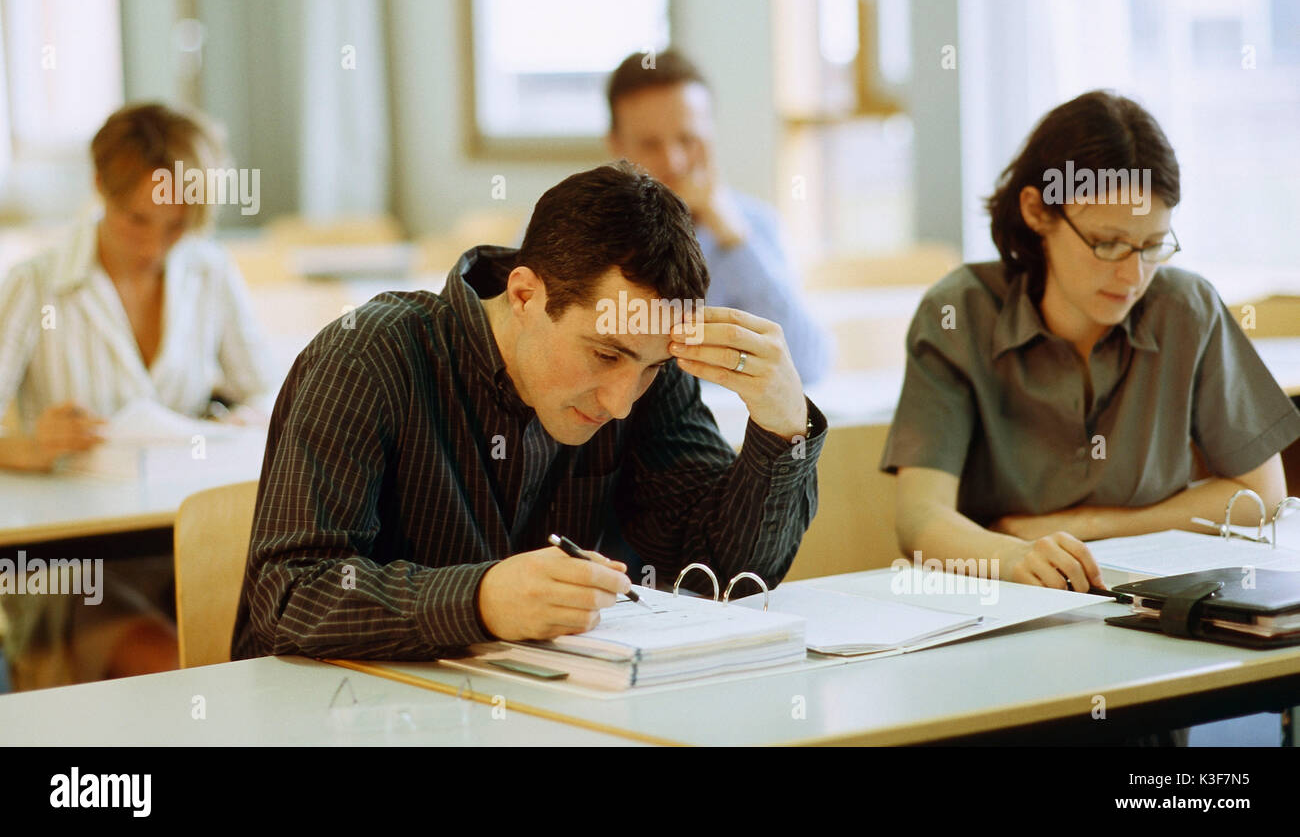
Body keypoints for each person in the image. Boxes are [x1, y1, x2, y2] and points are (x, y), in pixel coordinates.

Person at [232, 161, 825, 659]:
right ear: (524, 295)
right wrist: (481, 599)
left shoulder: (646, 370)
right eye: (603, 354)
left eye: (648, 368)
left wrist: (781, 425)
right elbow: (288, 596)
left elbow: (725, 571)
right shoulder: (369, 355)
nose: (621, 402)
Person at [881, 90, 1300, 592]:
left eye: (1151, 245)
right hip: (1006, 603)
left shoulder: (1186, 309)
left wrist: (1084, 528)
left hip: (1148, 599)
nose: (1133, 274)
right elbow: (920, 519)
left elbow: (1262, 496)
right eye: (1108, 243)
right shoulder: (959, 313)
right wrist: (1015, 557)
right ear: (1038, 212)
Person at [0, 102, 274, 685]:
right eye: (136, 220)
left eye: (176, 225)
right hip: (79, 571)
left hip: (193, 542)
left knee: (263, 656)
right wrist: (30, 445)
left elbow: (268, 392)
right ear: (99, 187)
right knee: (188, 668)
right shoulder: (36, 285)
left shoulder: (207, 269)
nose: (155, 246)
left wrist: (238, 420)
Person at [605, 49, 833, 385]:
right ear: (616, 146)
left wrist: (733, 237)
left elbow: (807, 364)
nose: (674, 161)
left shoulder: (752, 226)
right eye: (650, 144)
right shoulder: (571, 227)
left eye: (688, 139)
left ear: (711, 134)